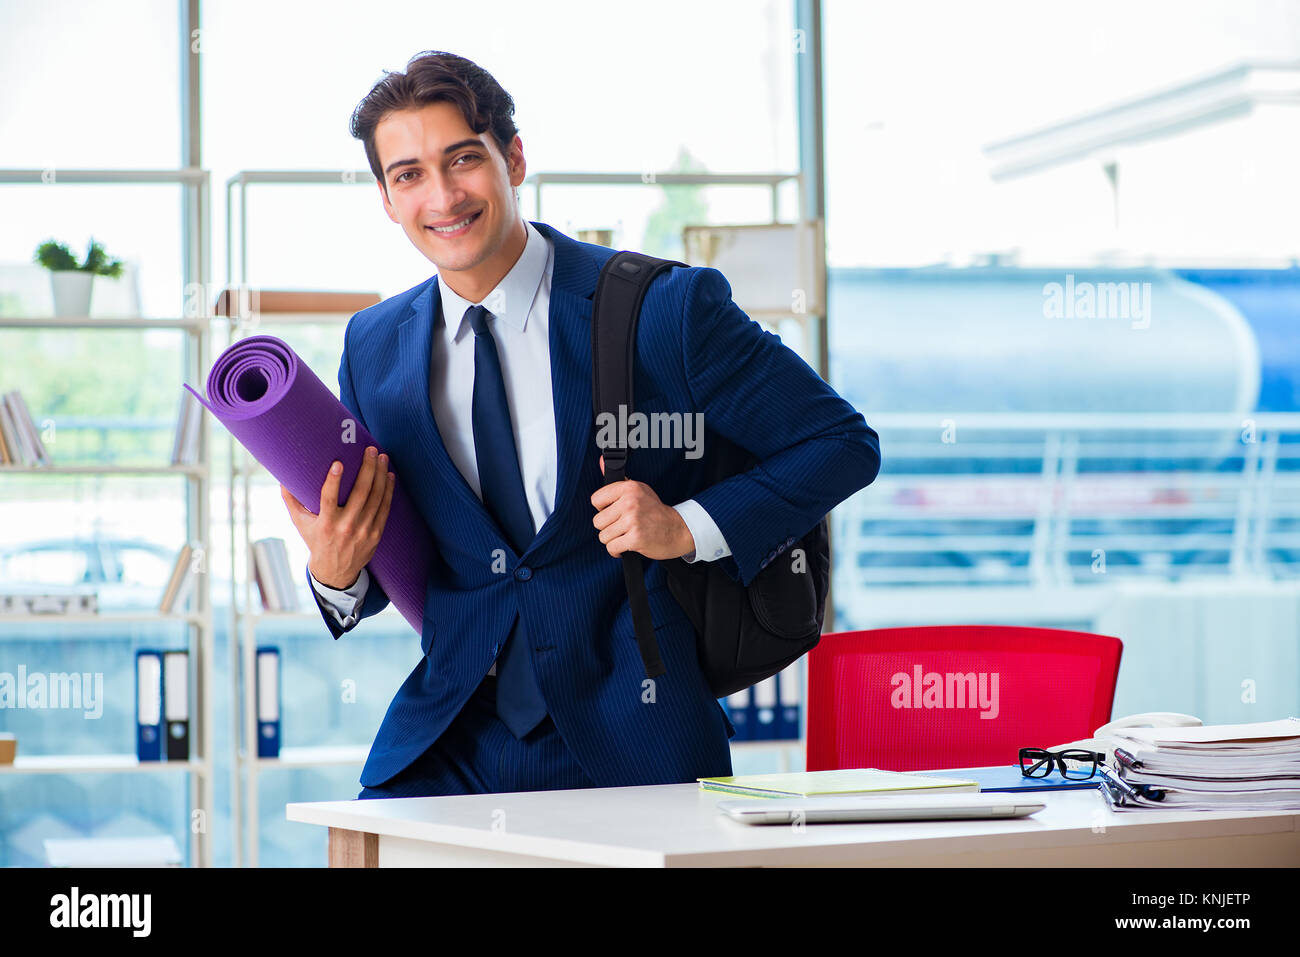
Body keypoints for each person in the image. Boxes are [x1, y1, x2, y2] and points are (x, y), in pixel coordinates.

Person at [280, 50, 881, 799]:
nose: (442, 195)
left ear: (515, 158)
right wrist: (335, 575)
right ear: (385, 197)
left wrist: (687, 526)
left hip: (634, 733)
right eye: (409, 174)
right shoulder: (374, 347)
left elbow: (842, 444)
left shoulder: (663, 309)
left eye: (462, 159)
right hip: (450, 740)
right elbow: (395, 561)